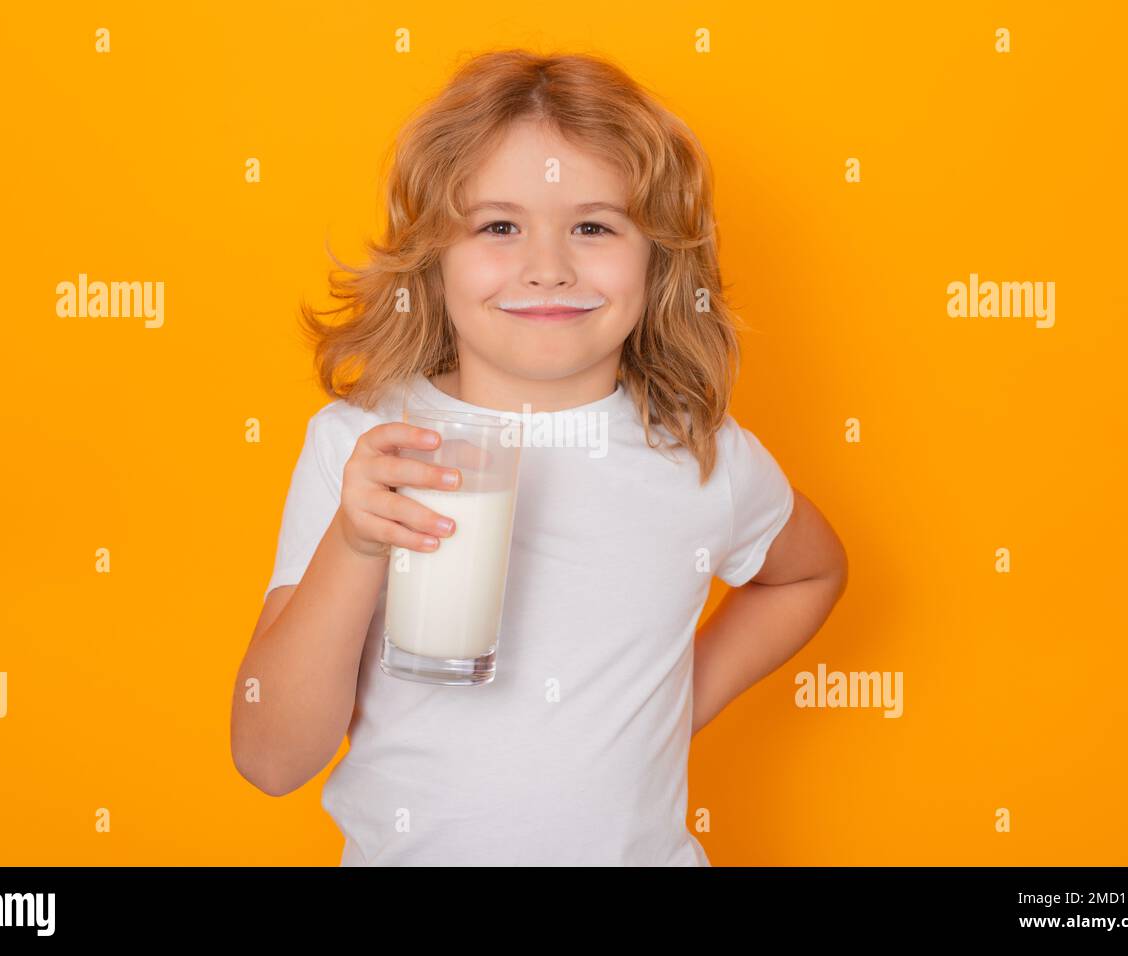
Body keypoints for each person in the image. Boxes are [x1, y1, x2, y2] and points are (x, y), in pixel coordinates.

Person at [230, 49, 848, 865]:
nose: (548, 268)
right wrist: (355, 544)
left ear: (657, 256)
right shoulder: (365, 450)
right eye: (499, 226)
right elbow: (271, 758)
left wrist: (676, 702)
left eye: (593, 226)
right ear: (434, 257)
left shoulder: (696, 453)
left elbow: (808, 571)